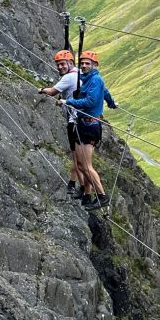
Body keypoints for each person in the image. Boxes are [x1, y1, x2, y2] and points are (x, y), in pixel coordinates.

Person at [62, 50, 118, 210]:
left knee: (86, 166)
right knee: (79, 164)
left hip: (89, 125)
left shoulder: (95, 80)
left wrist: (68, 101)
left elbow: (90, 101)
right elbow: (105, 93)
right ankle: (88, 193)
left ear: (95, 65)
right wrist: (112, 103)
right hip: (83, 124)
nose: (84, 66)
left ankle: (102, 197)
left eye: (88, 63)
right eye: (83, 63)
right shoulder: (88, 80)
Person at [38, 49, 84, 198]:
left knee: (77, 157)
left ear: (70, 63)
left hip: (74, 120)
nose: (60, 67)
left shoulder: (68, 78)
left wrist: (41, 89)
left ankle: (81, 187)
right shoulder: (80, 74)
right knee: (78, 156)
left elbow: (51, 91)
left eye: (62, 64)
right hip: (83, 119)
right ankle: (73, 183)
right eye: (58, 65)